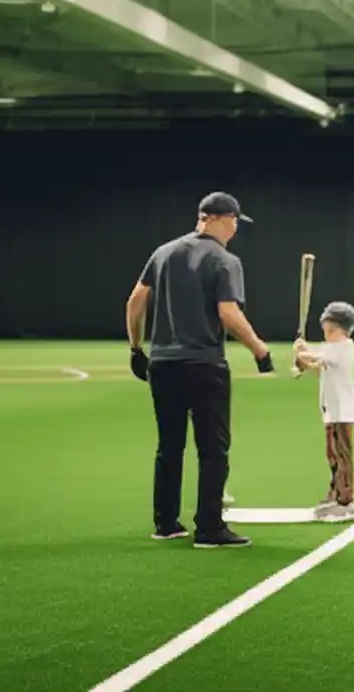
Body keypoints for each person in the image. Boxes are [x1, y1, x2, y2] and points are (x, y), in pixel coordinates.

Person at [125, 191, 273, 549]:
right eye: (236, 220)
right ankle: (209, 528)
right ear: (222, 219)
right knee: (212, 448)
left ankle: (166, 523)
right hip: (204, 364)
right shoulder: (224, 260)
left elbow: (135, 301)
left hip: (163, 364)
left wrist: (136, 348)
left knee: (169, 446)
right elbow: (228, 314)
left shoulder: (164, 253)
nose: (237, 227)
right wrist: (260, 350)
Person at [293, 301, 354, 524]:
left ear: (332, 326)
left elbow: (315, 357)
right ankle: (335, 493)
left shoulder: (343, 347)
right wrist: (302, 359)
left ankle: (346, 501)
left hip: (342, 411)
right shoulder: (332, 349)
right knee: (332, 453)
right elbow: (316, 365)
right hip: (331, 410)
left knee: (342, 454)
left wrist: (302, 352)